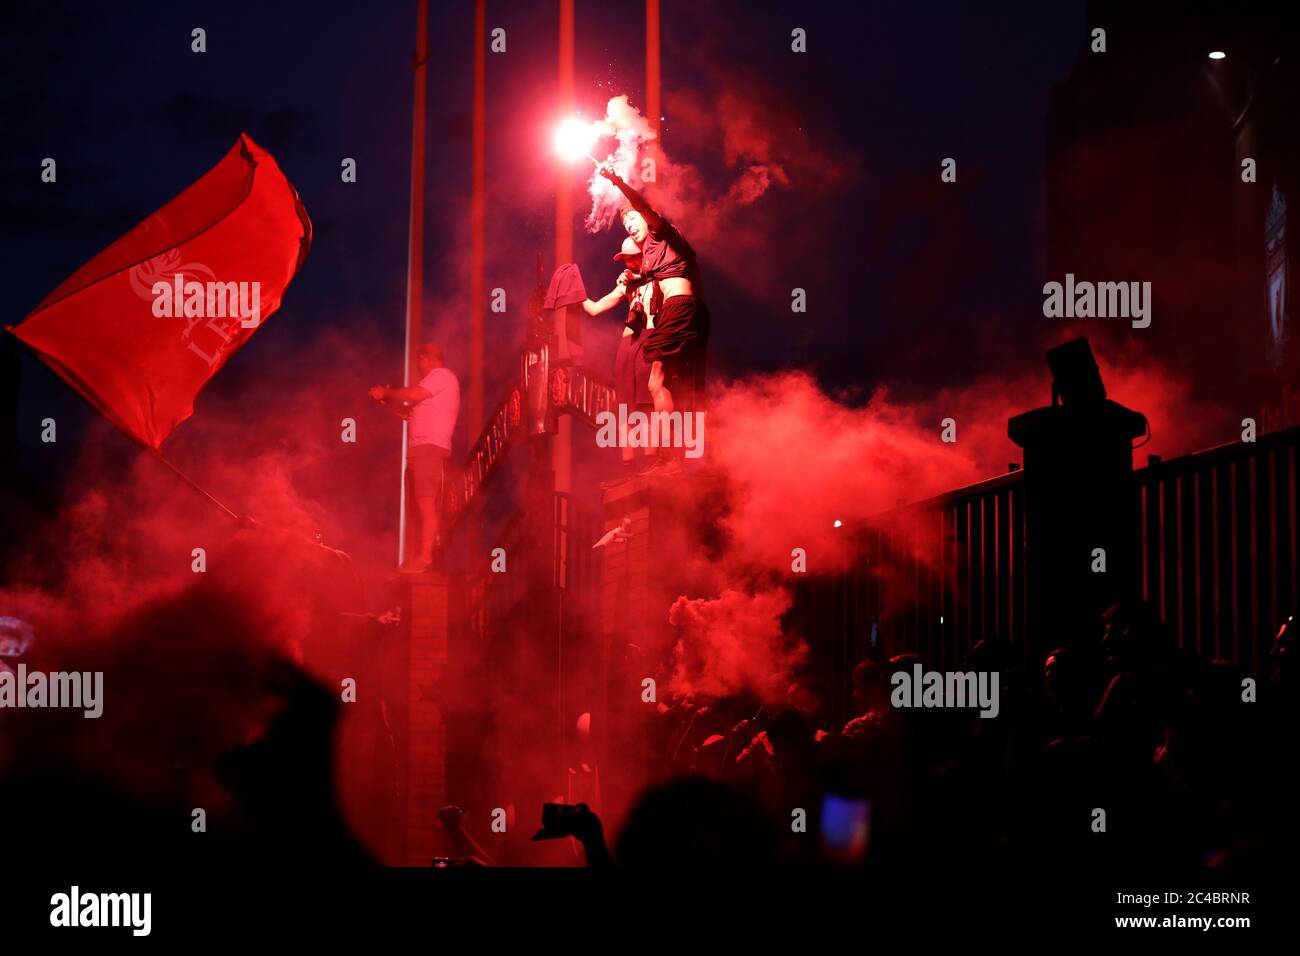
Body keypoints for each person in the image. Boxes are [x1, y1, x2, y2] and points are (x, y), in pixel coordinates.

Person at [599, 165, 710, 474]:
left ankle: (669, 455)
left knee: (655, 382)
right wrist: (629, 277)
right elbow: (642, 276)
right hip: (689, 312)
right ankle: (688, 453)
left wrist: (617, 182)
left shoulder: (662, 232)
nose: (630, 226)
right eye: (626, 224)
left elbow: (644, 207)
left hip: (681, 308)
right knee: (681, 384)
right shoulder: (648, 252)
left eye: (633, 219)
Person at [369, 342, 460, 573]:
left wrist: (388, 392)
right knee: (417, 507)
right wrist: (385, 400)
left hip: (429, 449)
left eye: (419, 362)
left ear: (424, 359)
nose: (418, 368)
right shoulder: (433, 390)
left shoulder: (442, 376)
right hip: (420, 451)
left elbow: (413, 394)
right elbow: (407, 414)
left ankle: (425, 558)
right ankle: (418, 557)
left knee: (425, 503)